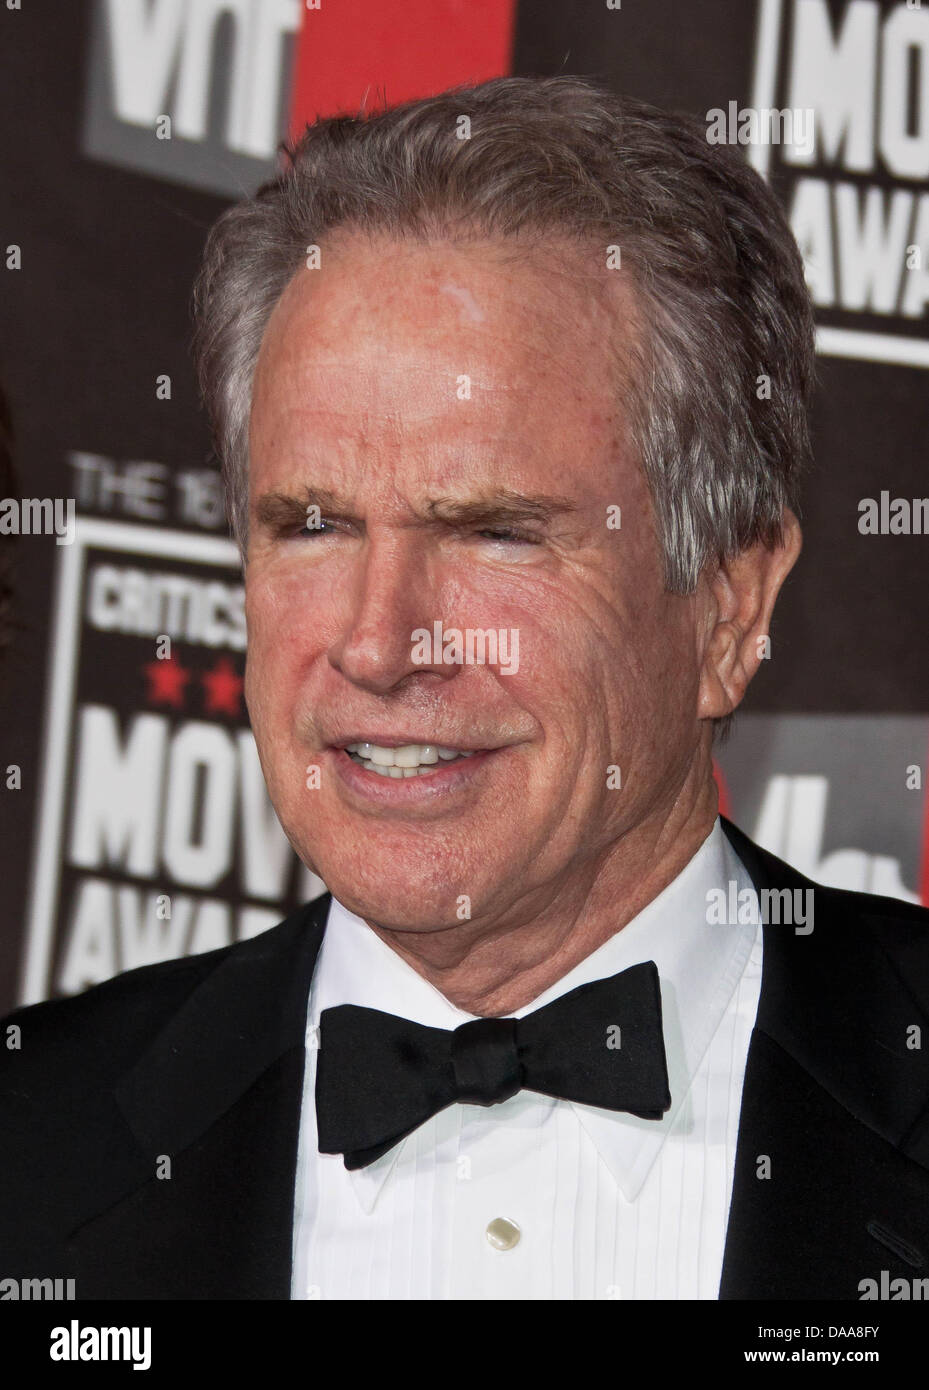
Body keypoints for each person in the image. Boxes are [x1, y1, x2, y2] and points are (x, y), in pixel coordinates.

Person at [2, 76, 927, 1301]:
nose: (380, 646)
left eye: (494, 531)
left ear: (728, 604)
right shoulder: (31, 1148)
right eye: (314, 524)